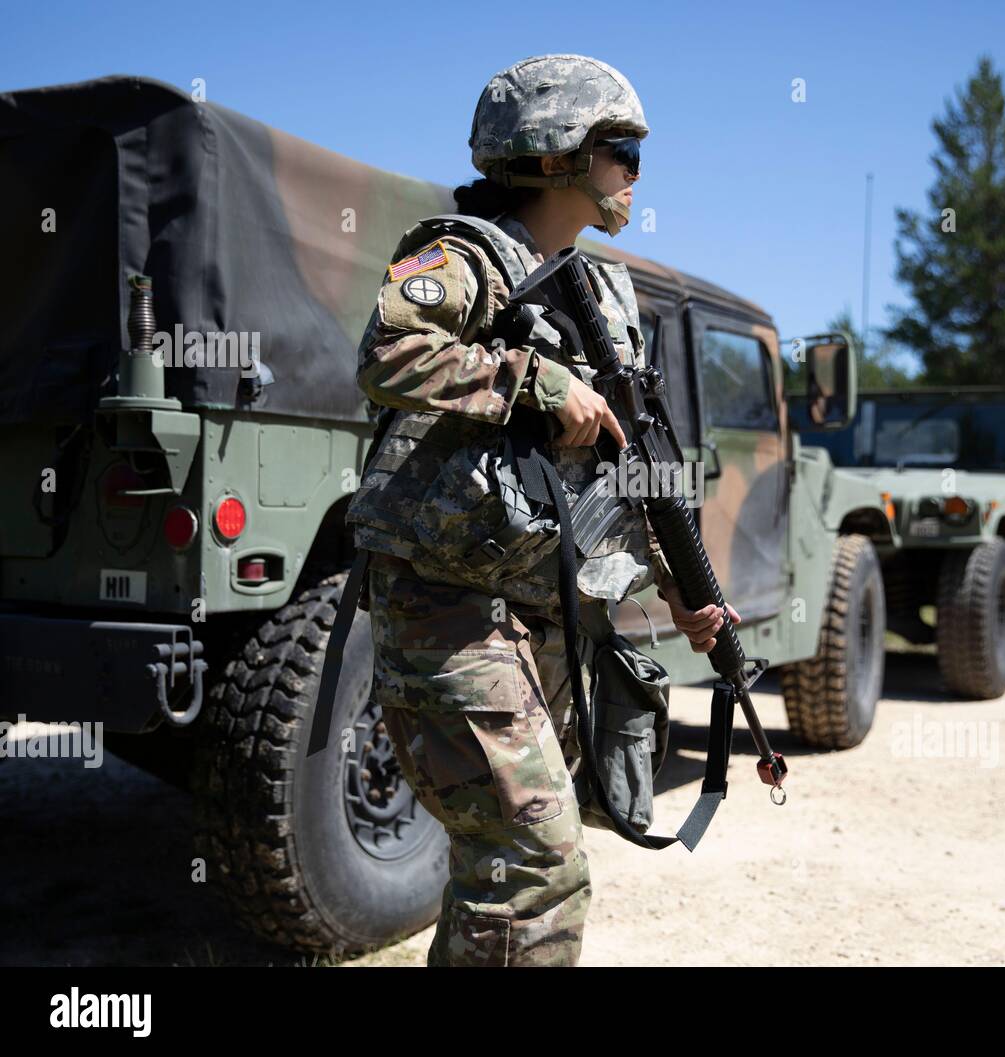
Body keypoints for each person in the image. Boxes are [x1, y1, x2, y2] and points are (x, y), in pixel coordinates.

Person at [344, 53, 739, 967]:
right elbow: (388, 354)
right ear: (559, 153)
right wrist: (528, 380)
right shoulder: (464, 255)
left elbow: (626, 459)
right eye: (622, 150)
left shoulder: (601, 289)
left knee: (501, 863)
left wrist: (680, 591)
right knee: (534, 867)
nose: (637, 174)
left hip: (540, 615)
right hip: (447, 611)